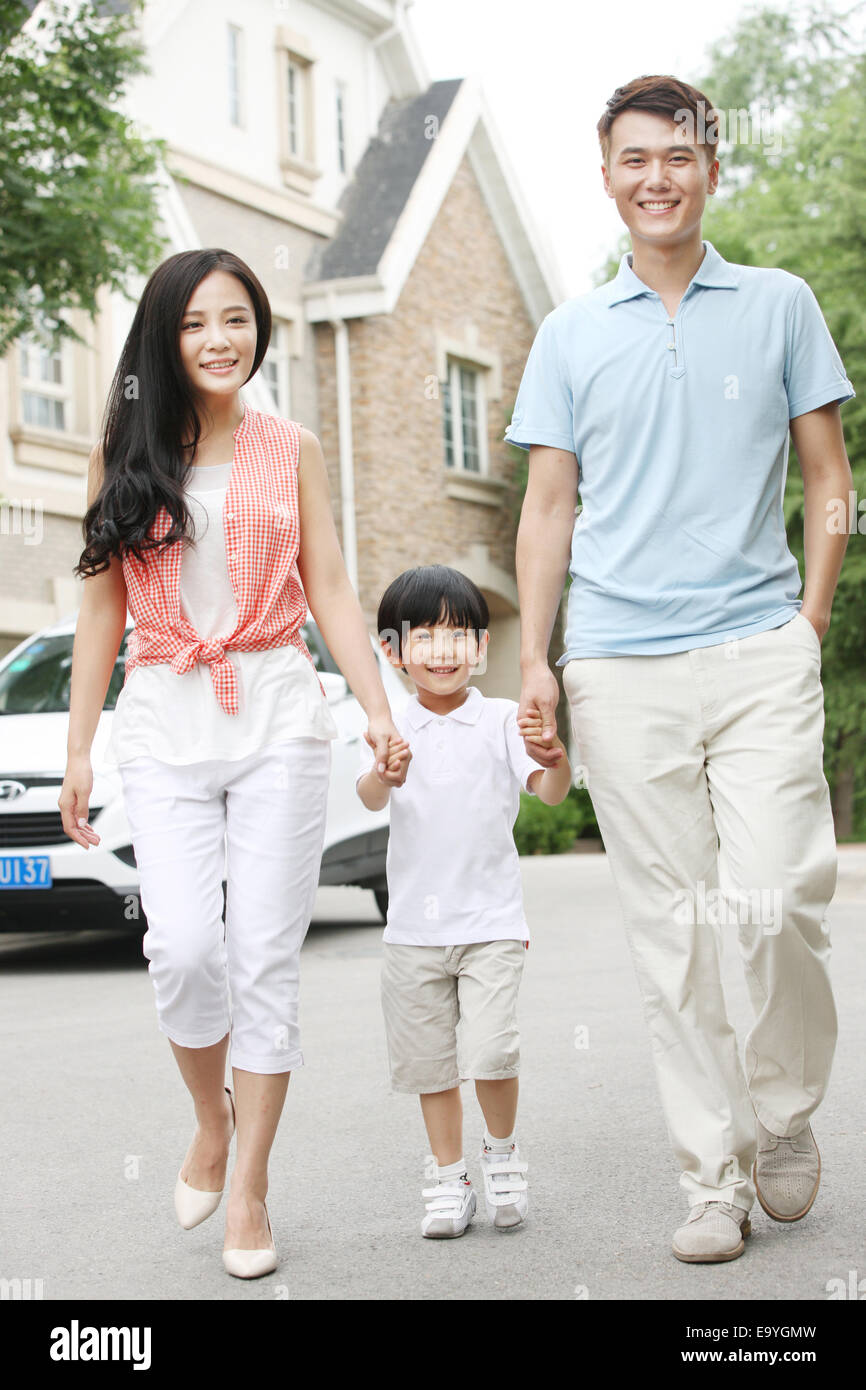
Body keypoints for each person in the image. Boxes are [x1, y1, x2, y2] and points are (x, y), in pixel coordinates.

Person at [507, 76, 856, 1263]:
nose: (655, 176)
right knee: (673, 932)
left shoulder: (778, 306)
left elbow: (827, 480)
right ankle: (711, 1177)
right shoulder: (568, 333)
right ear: (605, 178)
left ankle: (782, 1112)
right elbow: (545, 508)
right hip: (617, 662)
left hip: (758, 647)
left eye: (677, 155)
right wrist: (539, 661)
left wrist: (806, 617)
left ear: (711, 166)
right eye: (632, 159)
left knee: (775, 900)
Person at [59, 248, 405, 1279]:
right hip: (164, 715)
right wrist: (79, 748)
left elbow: (333, 588)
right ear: (164, 338)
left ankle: (248, 1181)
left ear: (259, 330)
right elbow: (97, 608)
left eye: (238, 320)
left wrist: (379, 709)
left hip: (276, 715)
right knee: (183, 949)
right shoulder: (123, 449)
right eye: (196, 323)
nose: (220, 340)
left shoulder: (289, 446)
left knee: (262, 958)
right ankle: (206, 1121)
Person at [355, 565, 572, 1237]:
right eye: (424, 635)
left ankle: (502, 1158)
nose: (443, 649)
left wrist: (557, 756)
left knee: (493, 1050)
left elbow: (551, 791)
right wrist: (380, 772)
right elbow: (367, 798)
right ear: (392, 651)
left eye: (459, 634)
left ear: (481, 648)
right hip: (412, 934)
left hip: (491, 924)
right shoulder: (391, 726)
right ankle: (449, 1178)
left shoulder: (503, 720)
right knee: (431, 1064)